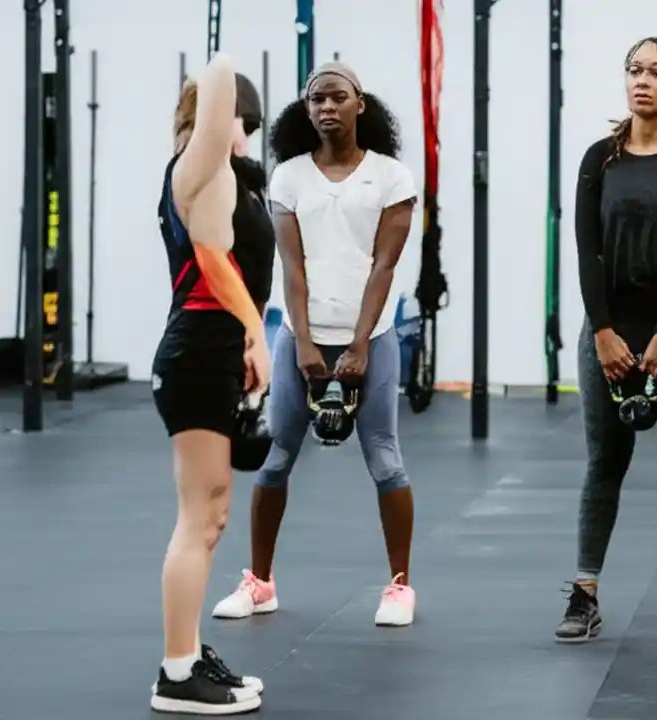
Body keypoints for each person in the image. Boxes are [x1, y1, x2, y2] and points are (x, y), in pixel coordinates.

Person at [210, 61, 420, 628]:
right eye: (317, 100)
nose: (327, 107)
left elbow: (384, 265)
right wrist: (301, 342)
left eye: (337, 98)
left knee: (384, 459)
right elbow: (293, 267)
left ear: (360, 106)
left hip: (370, 337)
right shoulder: (289, 178)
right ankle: (259, 582)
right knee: (276, 459)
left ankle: (399, 586)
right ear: (306, 112)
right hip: (300, 337)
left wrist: (358, 346)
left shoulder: (392, 178)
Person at [556, 36, 657, 647]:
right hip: (609, 330)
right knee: (604, 465)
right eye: (635, 70)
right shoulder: (600, 158)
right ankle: (585, 593)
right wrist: (601, 331)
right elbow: (586, 251)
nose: (644, 81)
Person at [149, 54, 274, 714]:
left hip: (215, 354)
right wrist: (257, 333)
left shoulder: (230, 178)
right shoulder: (193, 169)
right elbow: (211, 262)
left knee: (214, 512)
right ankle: (176, 673)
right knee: (197, 518)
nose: (244, 132)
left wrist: (249, 343)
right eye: (236, 119)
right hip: (198, 352)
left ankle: (190, 652)